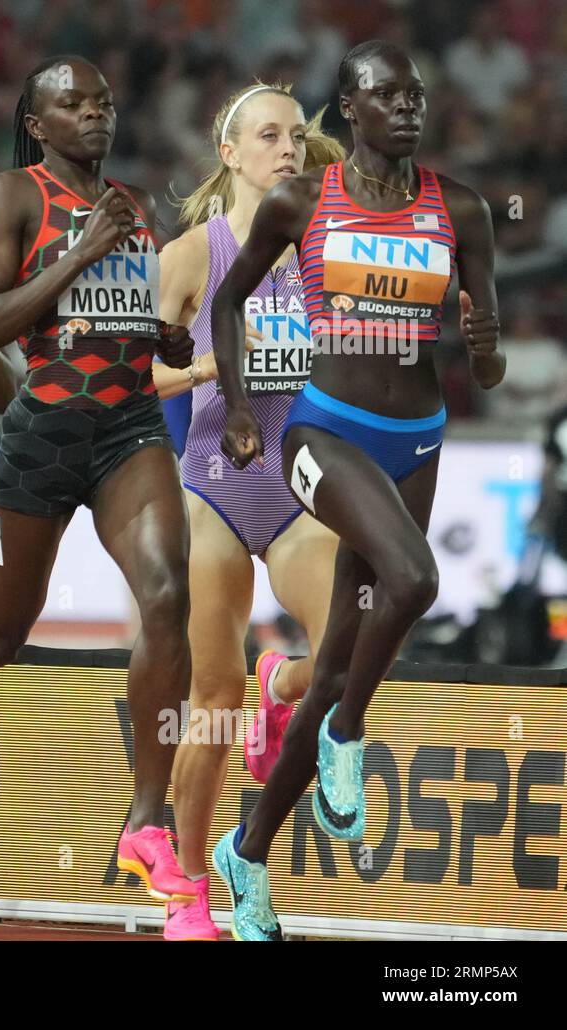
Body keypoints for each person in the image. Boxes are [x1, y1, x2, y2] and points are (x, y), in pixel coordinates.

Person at [0, 55, 197, 904]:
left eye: (104, 102)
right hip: (42, 435)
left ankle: (147, 822)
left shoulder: (132, 202)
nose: (94, 115)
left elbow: (124, 316)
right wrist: (82, 252)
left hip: (127, 428)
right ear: (38, 120)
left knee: (166, 598)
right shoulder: (13, 195)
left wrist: (164, 342)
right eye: (72, 105)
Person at [210, 41, 503, 940]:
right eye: (388, 94)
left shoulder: (461, 208)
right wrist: (235, 402)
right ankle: (345, 735)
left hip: (417, 441)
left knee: (335, 662)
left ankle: (248, 854)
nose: (408, 107)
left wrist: (484, 346)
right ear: (349, 108)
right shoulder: (305, 201)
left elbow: (484, 359)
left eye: (416, 93)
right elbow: (228, 303)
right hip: (324, 432)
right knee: (414, 580)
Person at [151, 82, 345, 940]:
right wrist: (208, 371)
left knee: (359, 636)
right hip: (212, 486)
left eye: (297, 136)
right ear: (229, 152)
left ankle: (287, 685)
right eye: (269, 136)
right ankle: (192, 888)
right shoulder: (195, 254)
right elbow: (133, 374)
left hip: (296, 483)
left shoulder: (321, 251)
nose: (288, 149)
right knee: (214, 700)